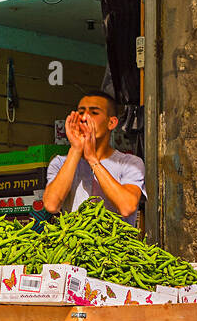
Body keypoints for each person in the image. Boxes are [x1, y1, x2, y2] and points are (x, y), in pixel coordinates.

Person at [43, 92, 145, 225]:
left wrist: (92, 159)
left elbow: (127, 207)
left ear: (112, 123)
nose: (85, 118)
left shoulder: (130, 163)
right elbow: (51, 205)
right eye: (81, 112)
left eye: (94, 113)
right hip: (74, 243)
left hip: (115, 244)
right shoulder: (60, 163)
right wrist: (76, 149)